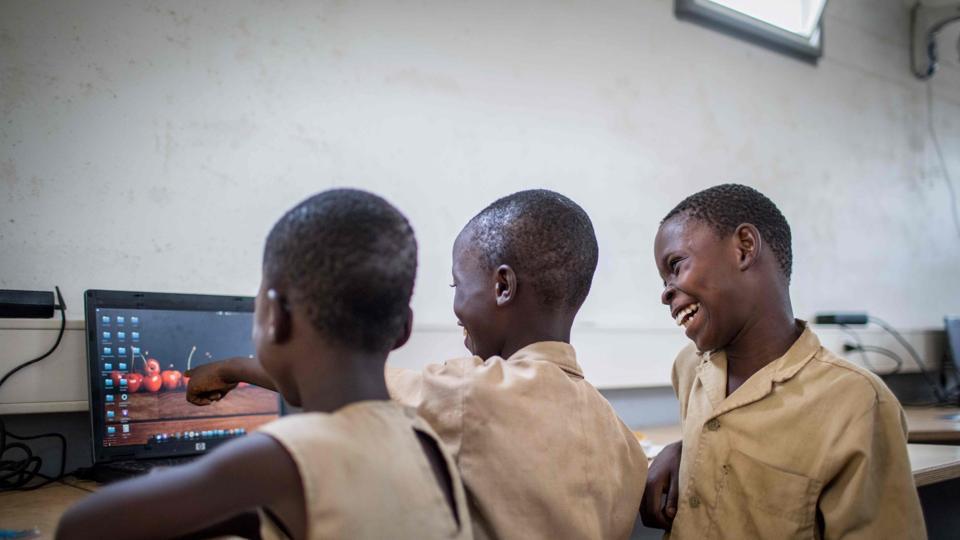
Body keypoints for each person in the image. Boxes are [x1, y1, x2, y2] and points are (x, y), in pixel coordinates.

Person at [188, 189, 649, 540]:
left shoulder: (476, 393)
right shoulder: (620, 439)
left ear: (502, 287)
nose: (454, 305)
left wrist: (230, 368)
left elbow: (341, 380)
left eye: (456, 285)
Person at [58, 189, 470, 540]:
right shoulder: (424, 440)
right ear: (403, 329)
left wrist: (214, 487)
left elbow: (80, 527)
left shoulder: (283, 458)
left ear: (275, 316)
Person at [639, 183, 925, 539]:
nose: (665, 292)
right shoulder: (690, 368)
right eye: (663, 279)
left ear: (744, 247)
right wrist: (684, 450)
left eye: (675, 266)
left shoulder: (856, 404)